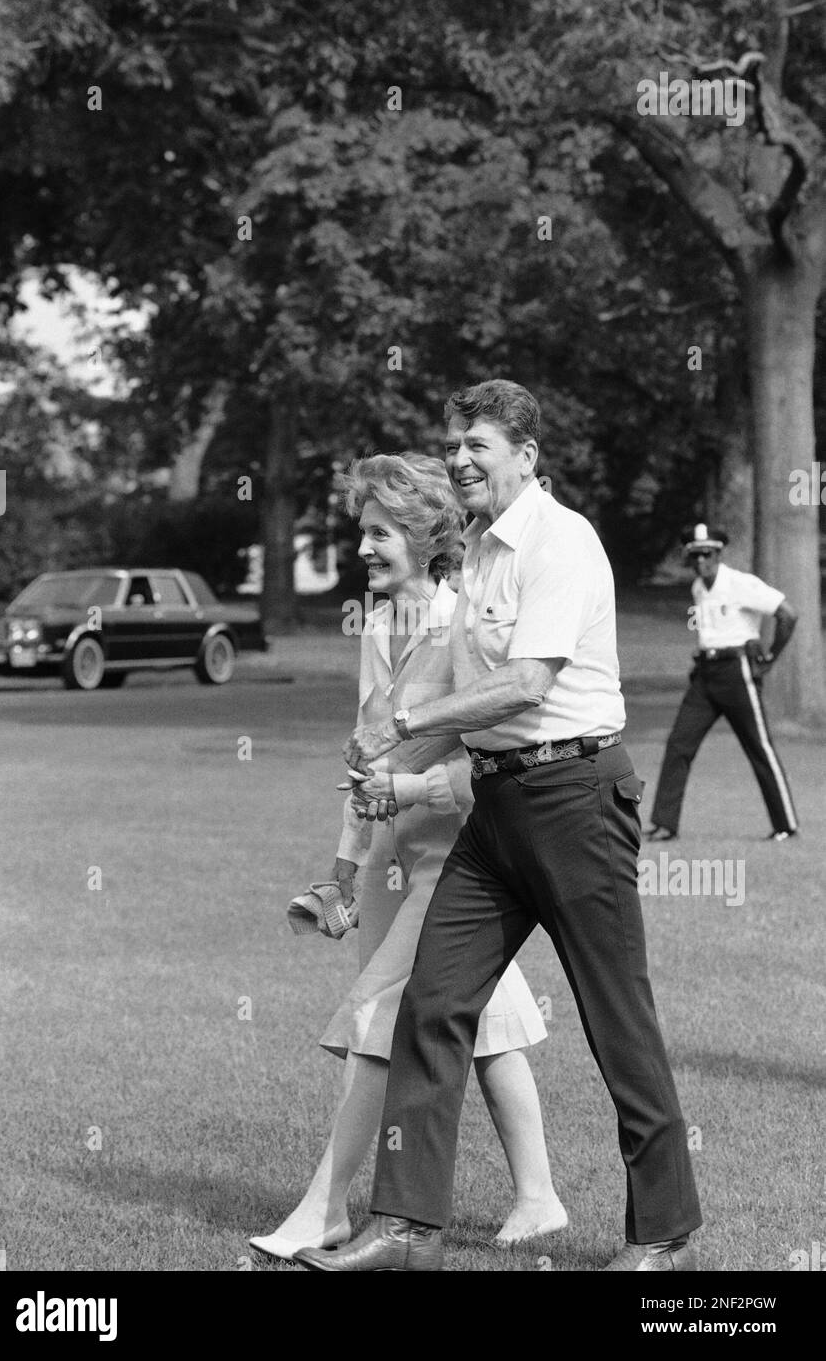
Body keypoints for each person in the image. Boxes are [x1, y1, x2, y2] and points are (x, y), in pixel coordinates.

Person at [296, 379, 702, 1274]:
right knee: (432, 1007)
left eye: (476, 443)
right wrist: (389, 772)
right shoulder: (475, 553)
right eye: (452, 444)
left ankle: (665, 1232)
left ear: (526, 452)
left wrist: (400, 728)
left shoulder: (563, 543)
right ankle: (408, 1232)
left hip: (576, 801)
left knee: (615, 1016)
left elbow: (526, 683)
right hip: (494, 805)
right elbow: (460, 703)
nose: (459, 459)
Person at [249, 453, 566, 1262]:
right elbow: (366, 757)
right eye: (362, 532)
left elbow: (493, 765)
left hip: (462, 860)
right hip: (391, 861)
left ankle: (326, 1205)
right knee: (477, 1020)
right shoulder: (377, 623)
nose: (363, 547)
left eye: (378, 532)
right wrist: (342, 873)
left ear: (428, 537)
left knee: (378, 1021)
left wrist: (411, 788)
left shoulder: (469, 624)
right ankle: (538, 1197)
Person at [646, 523, 798, 842]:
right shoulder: (699, 588)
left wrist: (770, 657)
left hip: (737, 670)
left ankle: (786, 824)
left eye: (708, 554)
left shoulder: (741, 584)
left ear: (719, 554)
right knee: (678, 743)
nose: (702, 562)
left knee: (758, 746)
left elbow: (788, 614)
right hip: (705, 674)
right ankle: (664, 823)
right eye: (696, 556)